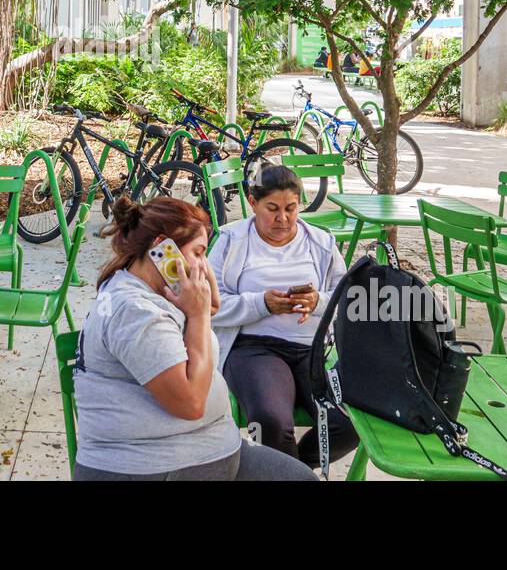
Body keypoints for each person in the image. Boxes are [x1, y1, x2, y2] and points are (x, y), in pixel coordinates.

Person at [72, 196, 317, 481]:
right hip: (150, 466)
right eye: (199, 253)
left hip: (204, 453)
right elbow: (189, 404)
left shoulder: (158, 289)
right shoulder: (134, 310)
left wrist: (196, 276)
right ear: (161, 248)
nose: (203, 265)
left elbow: (213, 304)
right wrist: (198, 317)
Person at [207, 163, 359, 469]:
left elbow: (347, 300)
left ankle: (292, 471)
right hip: (253, 348)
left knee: (352, 422)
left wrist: (317, 301)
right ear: (252, 202)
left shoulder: (321, 242)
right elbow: (208, 306)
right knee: (270, 421)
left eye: (291, 208)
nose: (283, 218)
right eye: (272, 208)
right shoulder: (231, 240)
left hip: (311, 350)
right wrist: (261, 304)